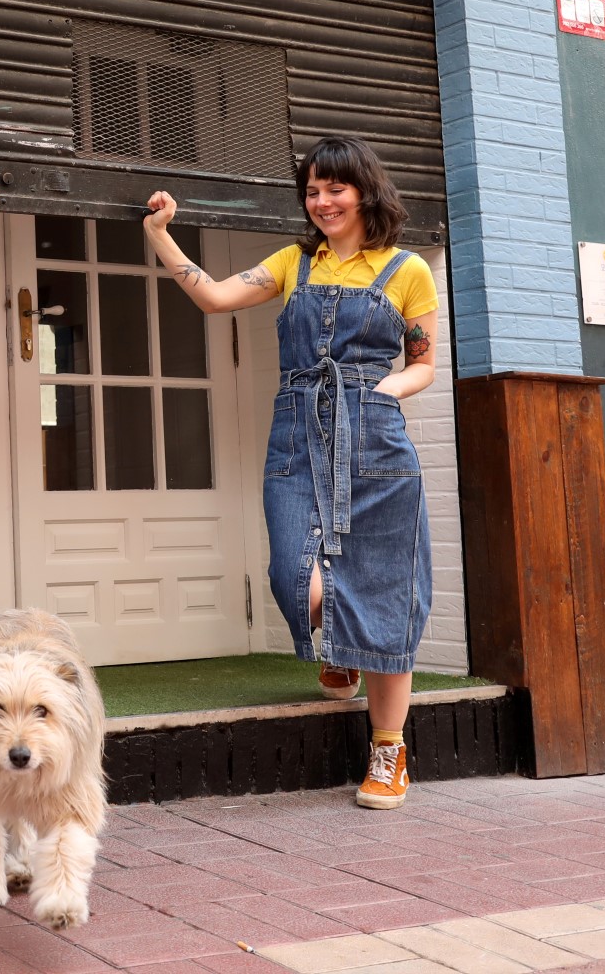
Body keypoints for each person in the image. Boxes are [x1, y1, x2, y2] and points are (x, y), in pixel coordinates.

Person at [144, 136, 438, 810]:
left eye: (335, 189)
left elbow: (423, 362)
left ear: (364, 191)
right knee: (291, 576)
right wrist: (160, 234)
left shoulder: (408, 269)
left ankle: (388, 751)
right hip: (297, 436)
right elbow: (215, 297)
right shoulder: (293, 263)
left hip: (375, 437)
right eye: (312, 191)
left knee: (386, 592)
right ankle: (340, 642)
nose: (322, 202)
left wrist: (385, 391)